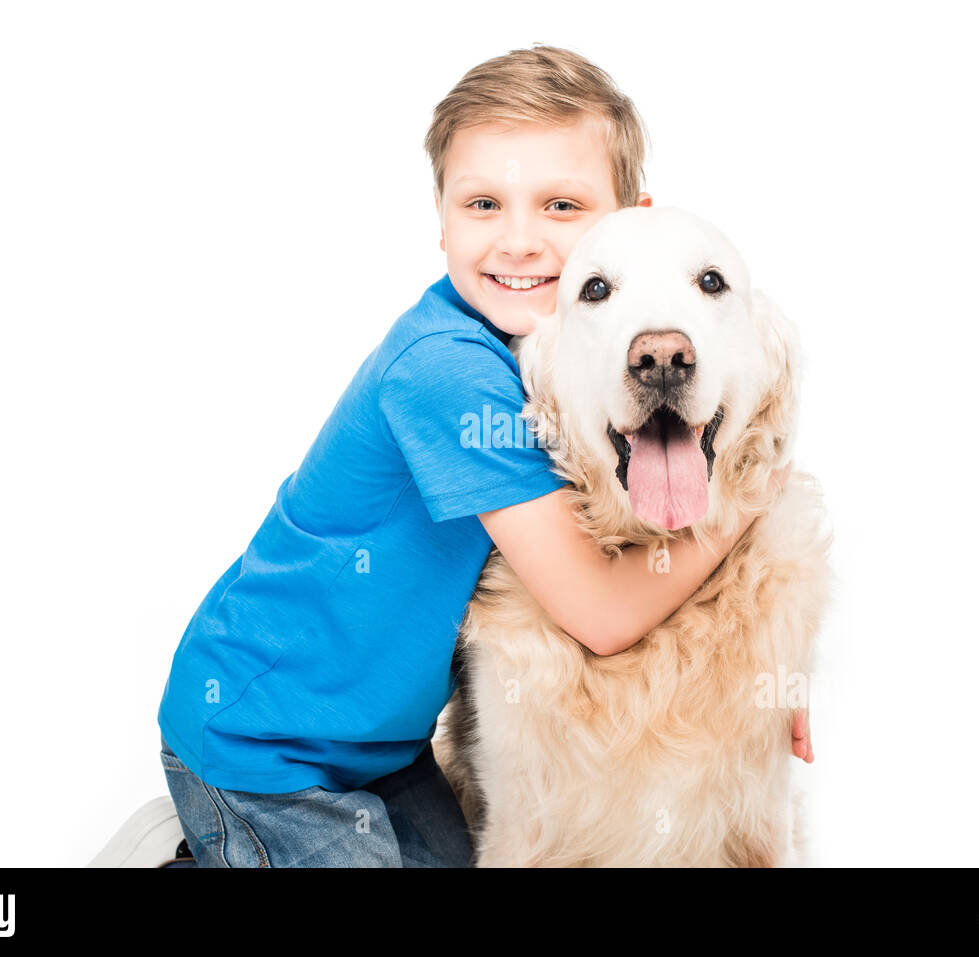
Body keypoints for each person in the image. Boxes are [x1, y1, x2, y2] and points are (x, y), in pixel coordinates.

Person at [153, 44, 811, 869]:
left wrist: (762, 672)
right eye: (484, 204)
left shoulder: (551, 350)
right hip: (264, 748)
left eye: (561, 205)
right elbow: (602, 613)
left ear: (630, 218)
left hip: (380, 746)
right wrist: (747, 509)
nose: (521, 242)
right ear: (439, 216)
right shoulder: (449, 372)